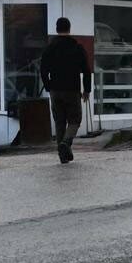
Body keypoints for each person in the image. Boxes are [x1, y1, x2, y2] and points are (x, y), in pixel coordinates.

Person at [40, 17, 91, 164]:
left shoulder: (49, 48)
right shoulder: (76, 47)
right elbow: (86, 71)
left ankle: (62, 155)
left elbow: (43, 70)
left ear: (56, 29)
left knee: (59, 121)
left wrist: (48, 86)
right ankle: (66, 143)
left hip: (55, 90)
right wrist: (86, 90)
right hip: (72, 90)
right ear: (69, 29)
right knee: (75, 120)